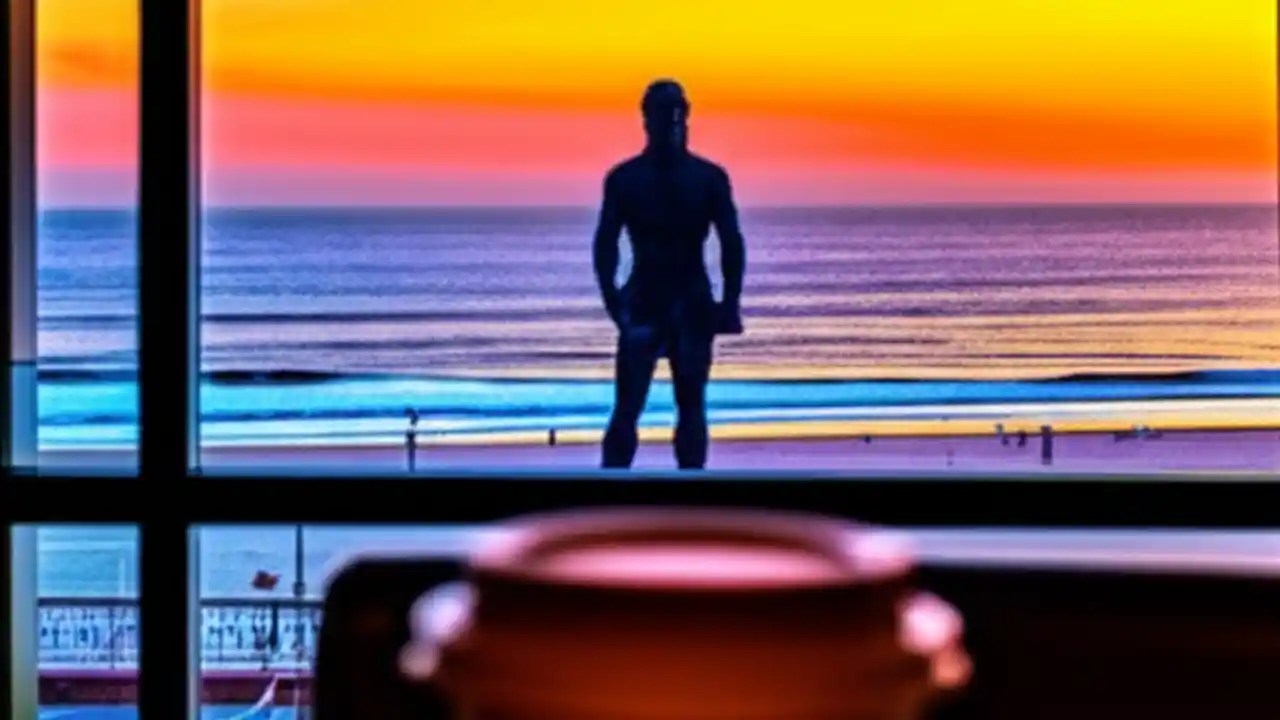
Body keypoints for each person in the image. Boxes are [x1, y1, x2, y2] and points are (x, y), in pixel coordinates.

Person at [593, 79, 747, 470]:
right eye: (664, 113)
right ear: (646, 119)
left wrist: (730, 305)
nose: (673, 121)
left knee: (691, 405)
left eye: (678, 112)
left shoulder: (708, 178)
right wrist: (613, 303)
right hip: (645, 300)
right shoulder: (625, 179)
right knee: (628, 407)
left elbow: (732, 243)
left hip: (689, 302)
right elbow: (604, 245)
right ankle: (613, 492)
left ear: (688, 116)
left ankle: (691, 490)